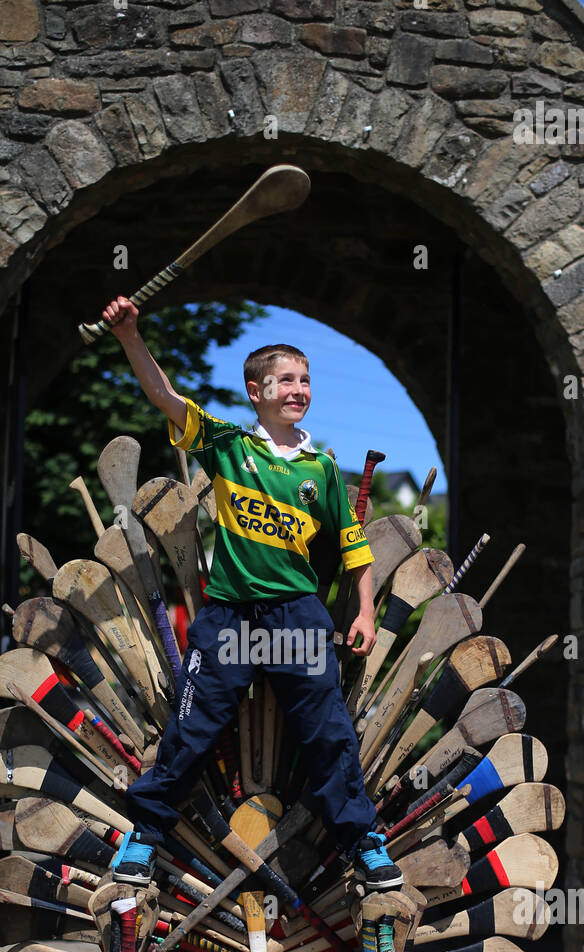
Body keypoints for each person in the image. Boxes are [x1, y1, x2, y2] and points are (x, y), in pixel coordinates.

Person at [99, 294, 403, 893]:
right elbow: (165, 397)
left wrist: (364, 609)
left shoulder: (323, 469)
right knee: (192, 729)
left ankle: (362, 845)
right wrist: (130, 335)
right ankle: (144, 836)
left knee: (329, 732)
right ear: (255, 391)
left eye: (306, 379)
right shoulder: (229, 446)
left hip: (297, 618)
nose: (300, 388)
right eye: (285, 379)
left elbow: (354, 550)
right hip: (231, 619)